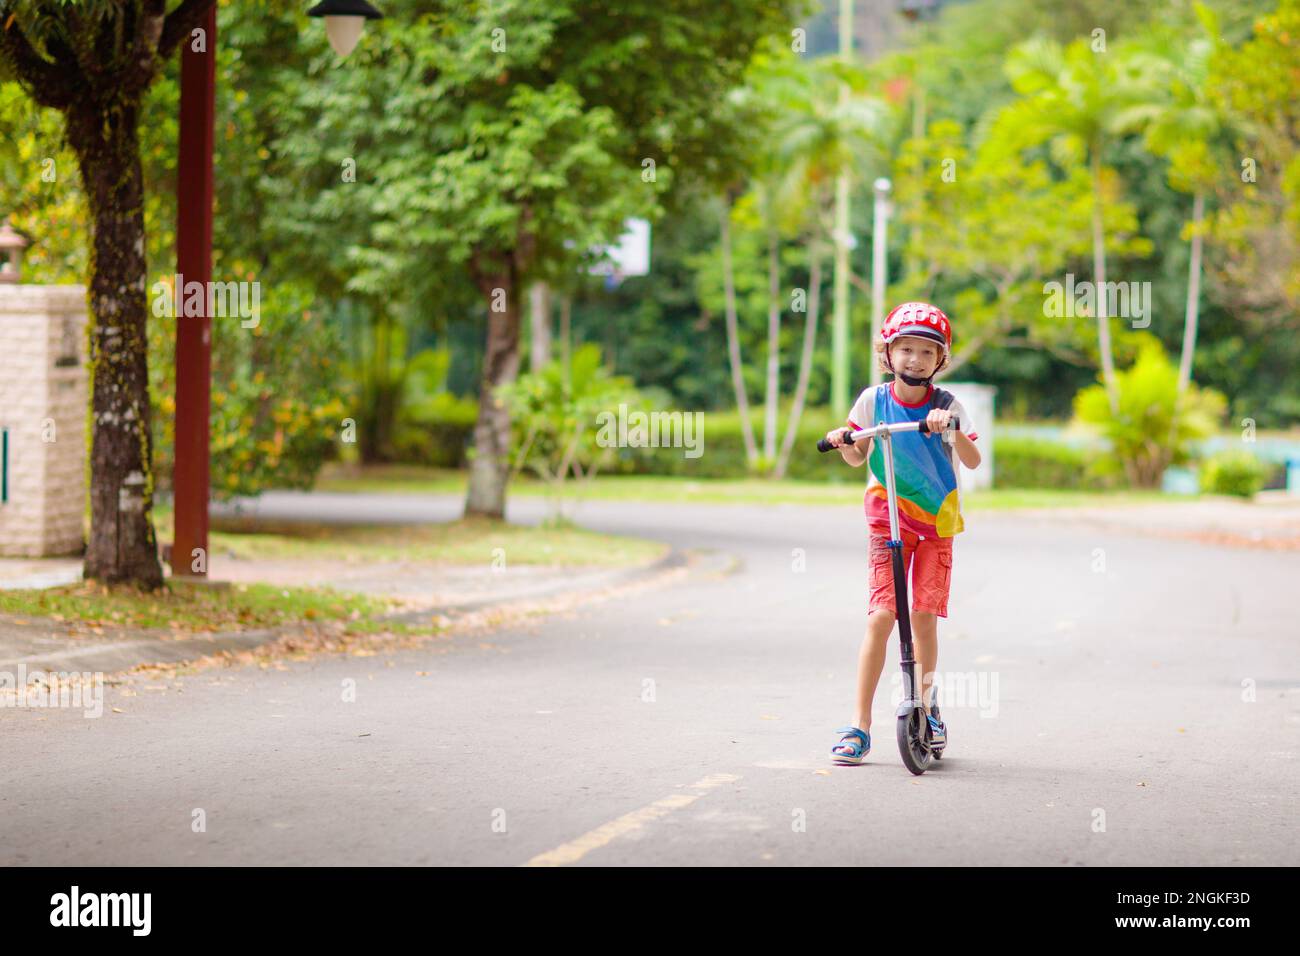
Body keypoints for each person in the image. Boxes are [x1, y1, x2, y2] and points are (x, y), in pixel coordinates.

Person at [822, 301, 982, 765]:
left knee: (924, 615)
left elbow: (973, 461)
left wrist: (950, 429)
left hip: (936, 523)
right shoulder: (873, 400)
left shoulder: (948, 404)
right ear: (888, 353)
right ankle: (859, 724)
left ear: (940, 360)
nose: (914, 359)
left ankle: (927, 706)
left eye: (926, 352)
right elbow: (857, 456)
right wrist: (845, 440)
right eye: (905, 349)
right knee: (881, 617)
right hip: (885, 521)